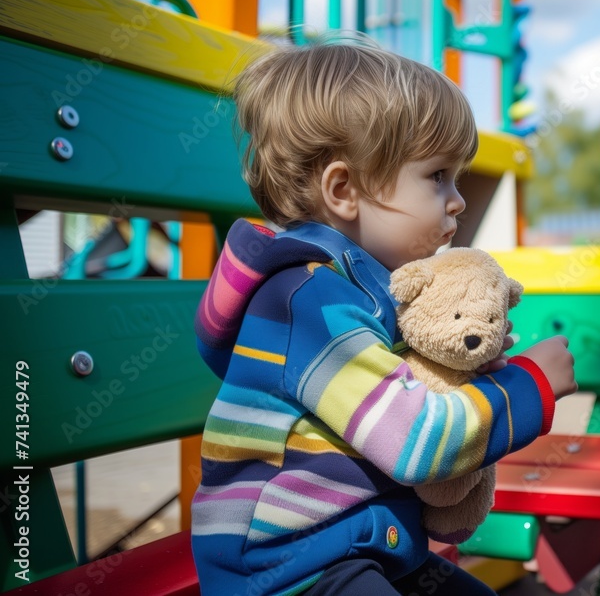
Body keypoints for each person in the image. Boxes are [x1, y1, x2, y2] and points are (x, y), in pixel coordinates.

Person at [191, 38, 576, 596]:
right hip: (286, 567)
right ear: (344, 190)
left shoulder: (357, 292)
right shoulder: (307, 302)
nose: (458, 200)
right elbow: (417, 440)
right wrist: (527, 385)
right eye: (437, 176)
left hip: (359, 546)